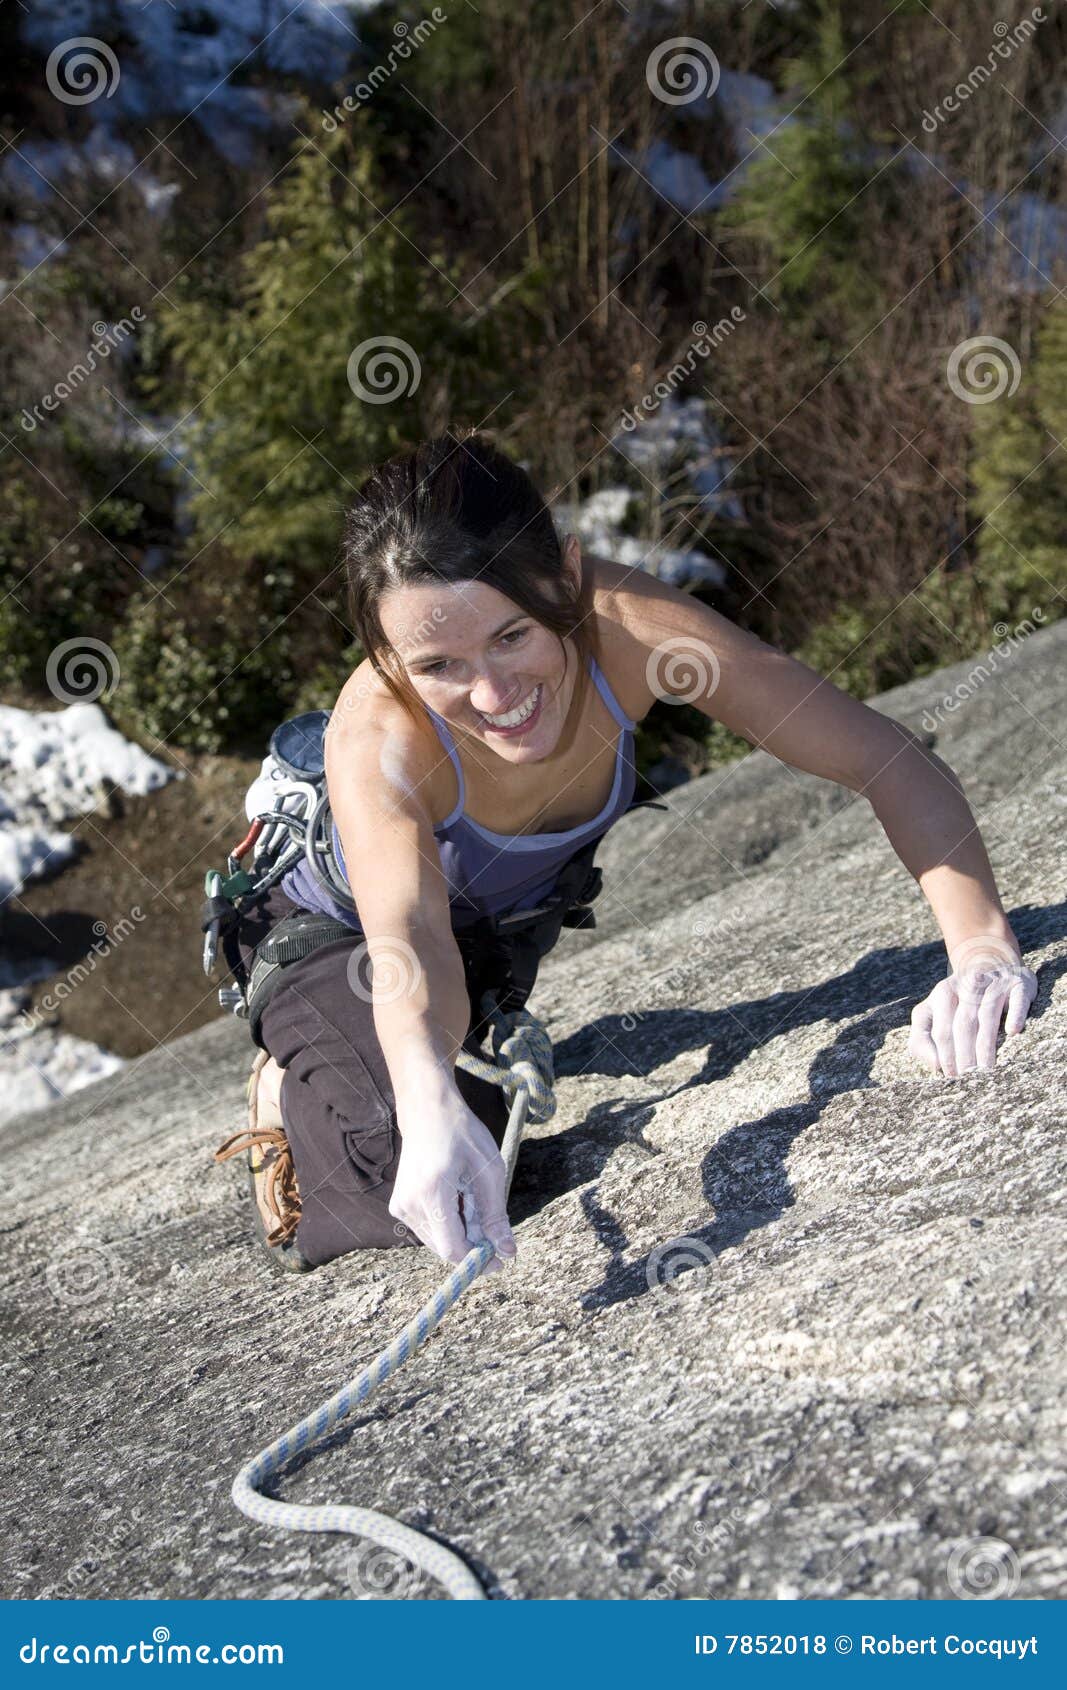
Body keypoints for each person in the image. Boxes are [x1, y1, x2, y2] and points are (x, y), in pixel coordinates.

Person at [215, 428, 1038, 1277]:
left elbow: (884, 758)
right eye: (438, 664)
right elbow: (407, 935)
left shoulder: (636, 633)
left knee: (471, 1136)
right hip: (332, 935)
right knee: (417, 1158)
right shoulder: (377, 736)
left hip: (492, 928)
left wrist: (978, 947)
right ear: (387, 656)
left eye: (512, 635)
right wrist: (424, 1099)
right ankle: (288, 1082)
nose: (493, 696)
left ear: (567, 578)